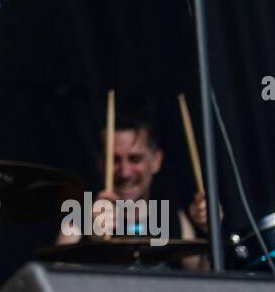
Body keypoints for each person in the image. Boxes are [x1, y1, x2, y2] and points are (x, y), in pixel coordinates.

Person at [57, 107, 210, 256]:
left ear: (156, 161)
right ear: (100, 163)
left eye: (135, 159)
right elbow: (56, 280)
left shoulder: (171, 218)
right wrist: (91, 241)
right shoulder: (77, 220)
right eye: (114, 160)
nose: (125, 172)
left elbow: (202, 276)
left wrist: (212, 234)